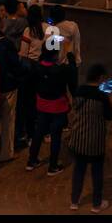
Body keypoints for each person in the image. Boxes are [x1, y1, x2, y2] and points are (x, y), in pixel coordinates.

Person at [68, 64, 112, 211]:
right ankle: (96, 204)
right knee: (97, 172)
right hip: (95, 141)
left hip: (79, 138)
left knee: (79, 170)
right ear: (100, 78)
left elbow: (74, 107)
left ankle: (74, 201)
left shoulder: (79, 91)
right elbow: (109, 116)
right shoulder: (102, 96)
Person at [26, 45, 77, 174]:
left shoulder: (37, 67)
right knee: (56, 135)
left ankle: (32, 161)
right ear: (56, 54)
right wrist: (70, 56)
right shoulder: (61, 70)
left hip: (42, 104)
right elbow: (73, 79)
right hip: (57, 106)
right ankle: (53, 166)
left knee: (39, 132)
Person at [0, 9, 22, 162]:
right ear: (1, 24)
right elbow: (15, 64)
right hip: (7, 85)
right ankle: (6, 153)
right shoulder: (6, 43)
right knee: (8, 119)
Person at [16, 4, 47, 147]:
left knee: (30, 103)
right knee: (44, 101)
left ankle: (31, 134)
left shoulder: (28, 31)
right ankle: (45, 131)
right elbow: (55, 51)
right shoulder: (50, 29)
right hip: (45, 68)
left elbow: (23, 53)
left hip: (31, 70)